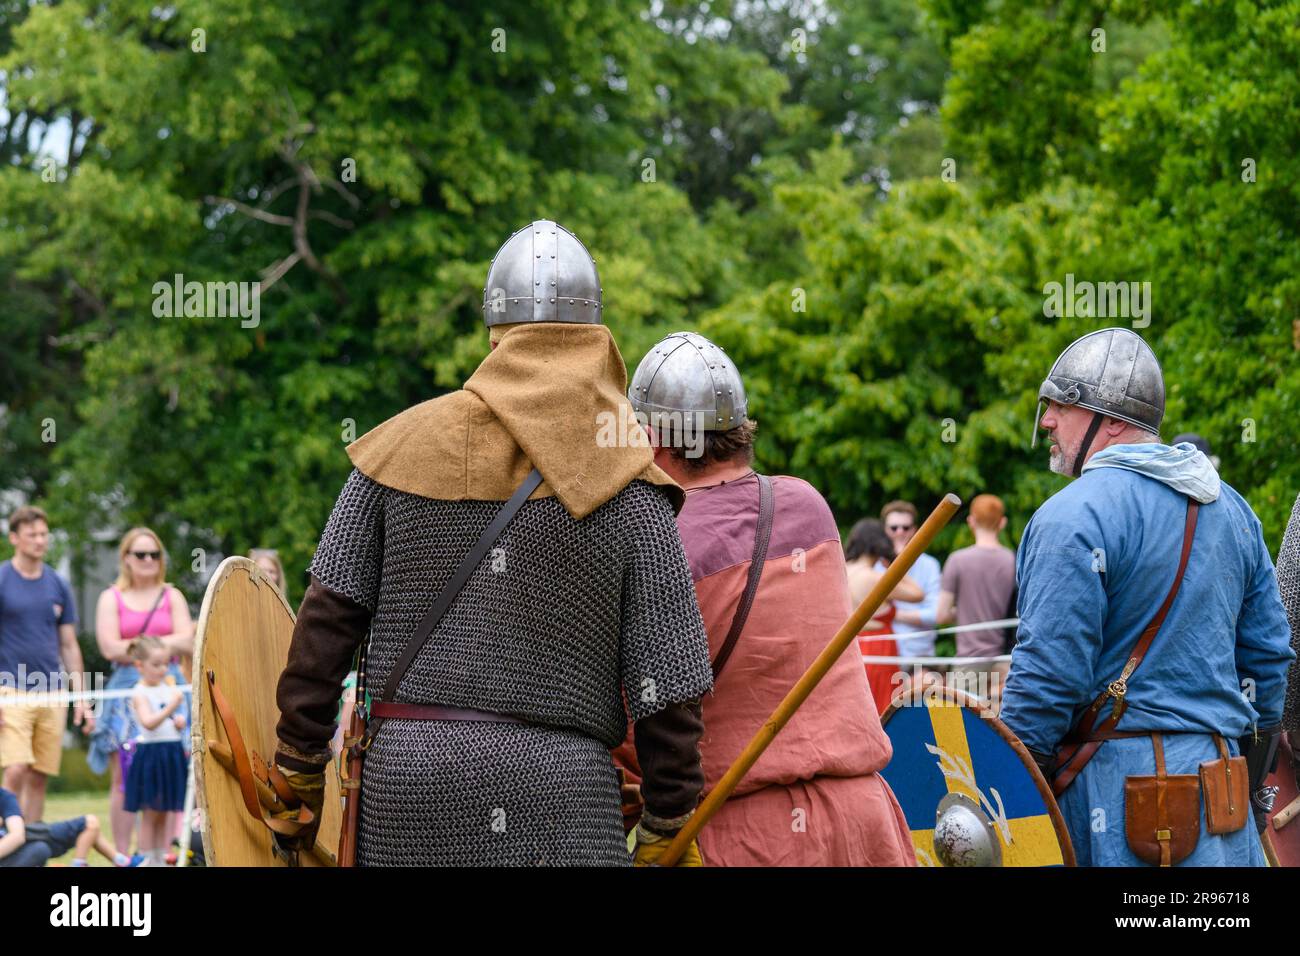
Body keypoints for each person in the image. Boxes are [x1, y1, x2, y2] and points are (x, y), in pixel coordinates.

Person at [273, 220, 713, 866]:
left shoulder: (397, 449)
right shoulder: (630, 482)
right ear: (595, 339)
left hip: (411, 791)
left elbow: (326, 622)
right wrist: (669, 817)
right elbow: (665, 684)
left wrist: (299, 764)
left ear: (495, 336)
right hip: (562, 799)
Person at [615, 330, 916, 866]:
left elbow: (639, 731)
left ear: (652, 438)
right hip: (865, 821)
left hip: (748, 836)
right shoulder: (807, 505)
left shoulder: (661, 538)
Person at [1000, 327, 1294, 866]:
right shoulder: (1234, 511)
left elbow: (1047, 674)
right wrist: (1247, 770)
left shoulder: (1070, 518)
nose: (1046, 421)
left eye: (1062, 406)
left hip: (1118, 801)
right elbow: (1270, 658)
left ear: (1110, 421)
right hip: (1222, 808)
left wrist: (1008, 797)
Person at [89, 527, 193, 854]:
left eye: (154, 554)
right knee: (124, 772)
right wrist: (160, 645)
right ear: (126, 559)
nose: (148, 560)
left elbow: (188, 639)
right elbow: (109, 647)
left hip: (171, 685)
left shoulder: (171, 595)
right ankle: (124, 855)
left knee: (173, 767)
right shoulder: (111, 597)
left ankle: (165, 853)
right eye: (140, 554)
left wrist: (139, 646)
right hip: (125, 689)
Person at [0, 506, 91, 823]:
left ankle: (31, 849)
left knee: (39, 776)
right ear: (14, 538)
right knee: (15, 769)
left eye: (43, 534)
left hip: (52, 691)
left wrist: (82, 698)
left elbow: (68, 644)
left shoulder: (58, 583)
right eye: (32, 535)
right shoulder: (1, 579)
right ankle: (5, 844)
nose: (40, 540)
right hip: (10, 688)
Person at [936, 494, 1017, 705]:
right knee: (1002, 730)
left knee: (957, 730)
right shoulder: (1013, 560)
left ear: (970, 521)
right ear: (1002, 522)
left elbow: (941, 614)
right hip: (1005, 660)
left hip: (969, 661)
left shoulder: (958, 560)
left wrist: (963, 611)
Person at [844, 518, 924, 715]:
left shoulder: (841, 571)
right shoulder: (875, 578)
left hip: (848, 646)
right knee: (881, 706)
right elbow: (917, 594)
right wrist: (894, 565)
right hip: (878, 648)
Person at [124, 637, 187, 866]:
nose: (163, 669)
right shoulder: (139, 693)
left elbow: (166, 719)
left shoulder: (167, 688)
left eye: (166, 663)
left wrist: (177, 721)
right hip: (152, 755)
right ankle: (146, 856)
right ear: (140, 665)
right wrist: (172, 707)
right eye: (157, 664)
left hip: (171, 751)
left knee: (165, 810)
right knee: (151, 811)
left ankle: (162, 856)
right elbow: (148, 722)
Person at [0, 786, 139, 867]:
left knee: (89, 823)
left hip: (32, 838)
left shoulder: (4, 796)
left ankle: (121, 862)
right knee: (39, 849)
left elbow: (17, 835)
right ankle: (123, 862)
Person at [881, 500, 942, 663]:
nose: (900, 532)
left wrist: (891, 614)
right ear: (885, 531)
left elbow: (934, 614)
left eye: (905, 527)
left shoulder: (929, 565)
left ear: (914, 530)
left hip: (920, 654)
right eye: (894, 528)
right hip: (884, 654)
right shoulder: (874, 566)